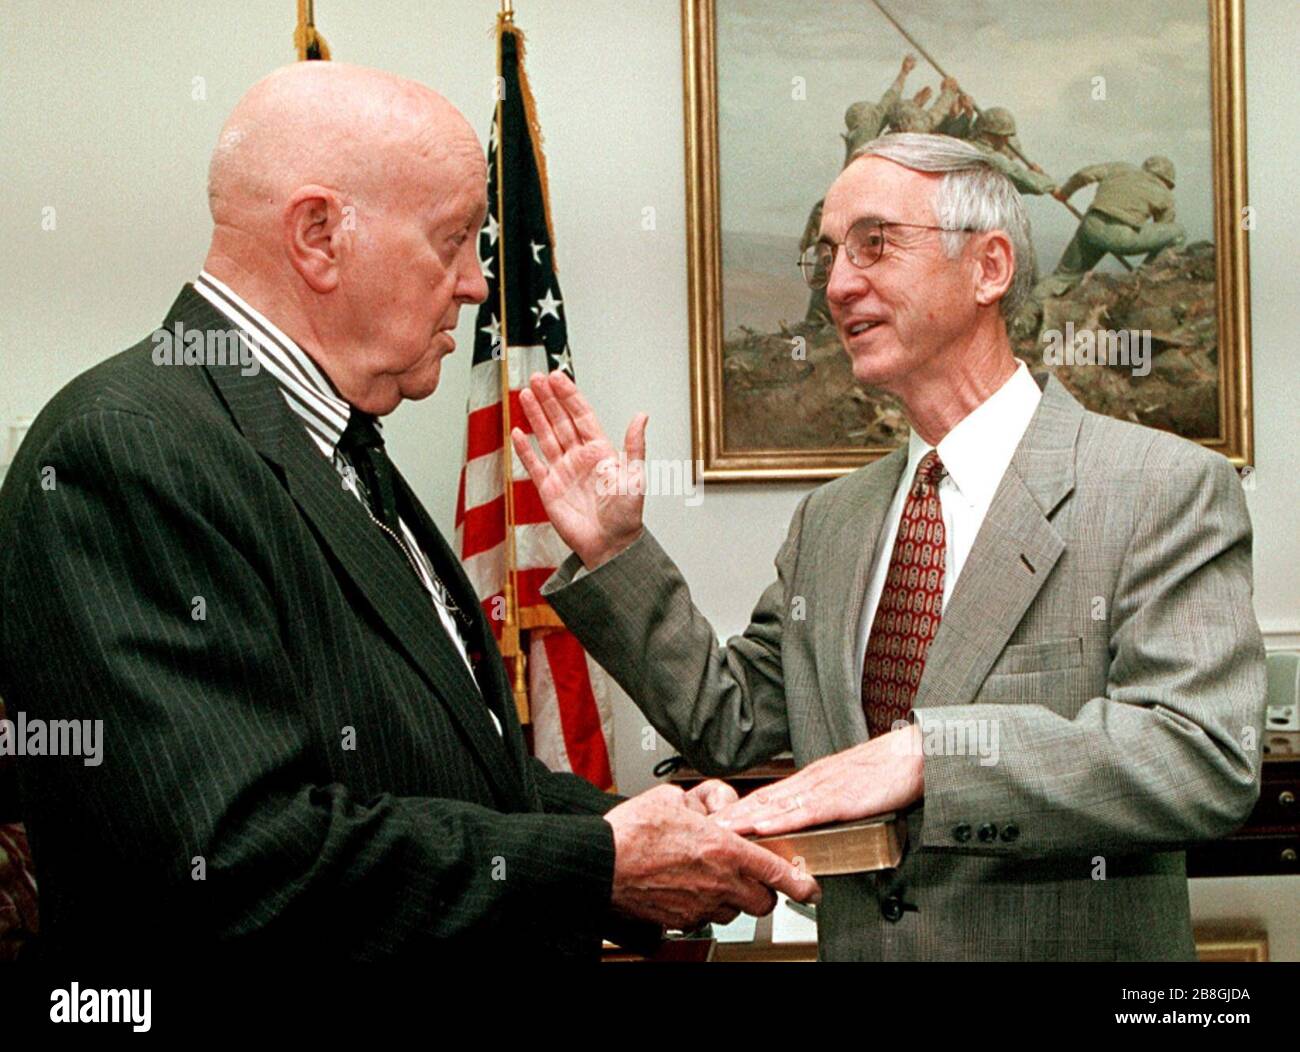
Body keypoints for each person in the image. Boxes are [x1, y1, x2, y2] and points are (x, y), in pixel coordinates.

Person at [0, 61, 816, 963]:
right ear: (318, 236)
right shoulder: (126, 450)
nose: (475, 285)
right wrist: (599, 863)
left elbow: (450, 776)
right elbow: (232, 860)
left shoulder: (336, 438)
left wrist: (638, 824)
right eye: (454, 240)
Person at [512, 133, 1266, 962]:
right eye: (829, 254)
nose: (838, 284)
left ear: (990, 268)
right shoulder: (832, 522)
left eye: (875, 244)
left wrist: (929, 756)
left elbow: (1199, 757)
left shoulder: (1160, 488)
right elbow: (731, 721)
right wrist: (618, 552)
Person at [1035, 155, 1184, 298]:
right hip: (1122, 236)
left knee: (1063, 276)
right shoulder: (1166, 195)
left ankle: (1027, 311)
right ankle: (1144, 276)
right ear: (1168, 181)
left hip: (1090, 226)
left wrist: (1064, 193)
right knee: (1178, 233)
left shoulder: (1120, 168)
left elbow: (1084, 174)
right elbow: (1163, 229)